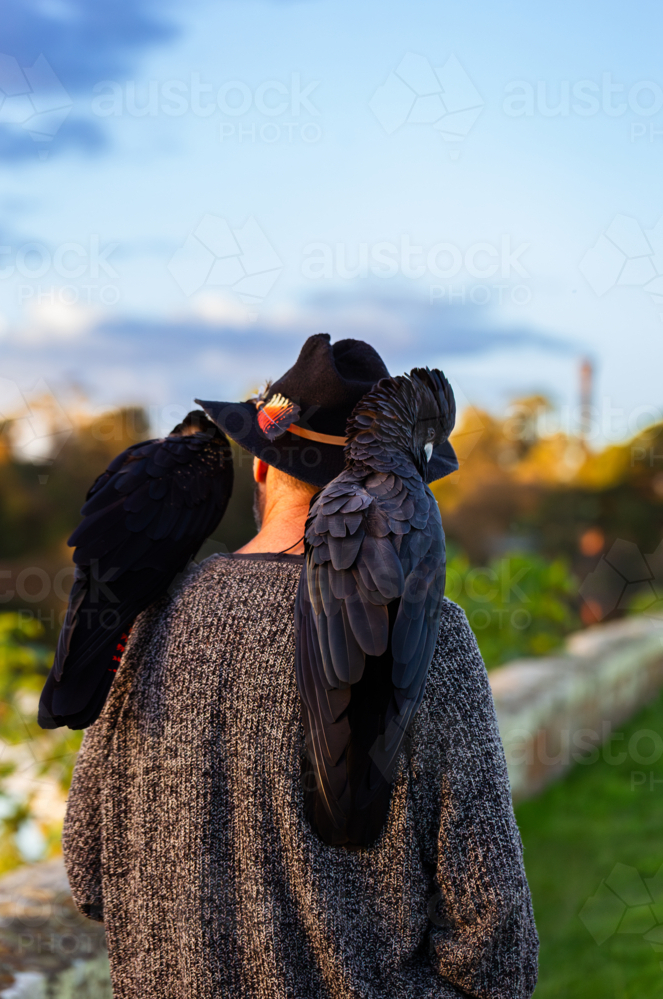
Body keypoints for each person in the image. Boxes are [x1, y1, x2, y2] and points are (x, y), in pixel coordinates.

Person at [62, 334, 538, 998]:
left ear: (260, 469)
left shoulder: (145, 619)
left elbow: (88, 874)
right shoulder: (430, 628)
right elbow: (498, 951)